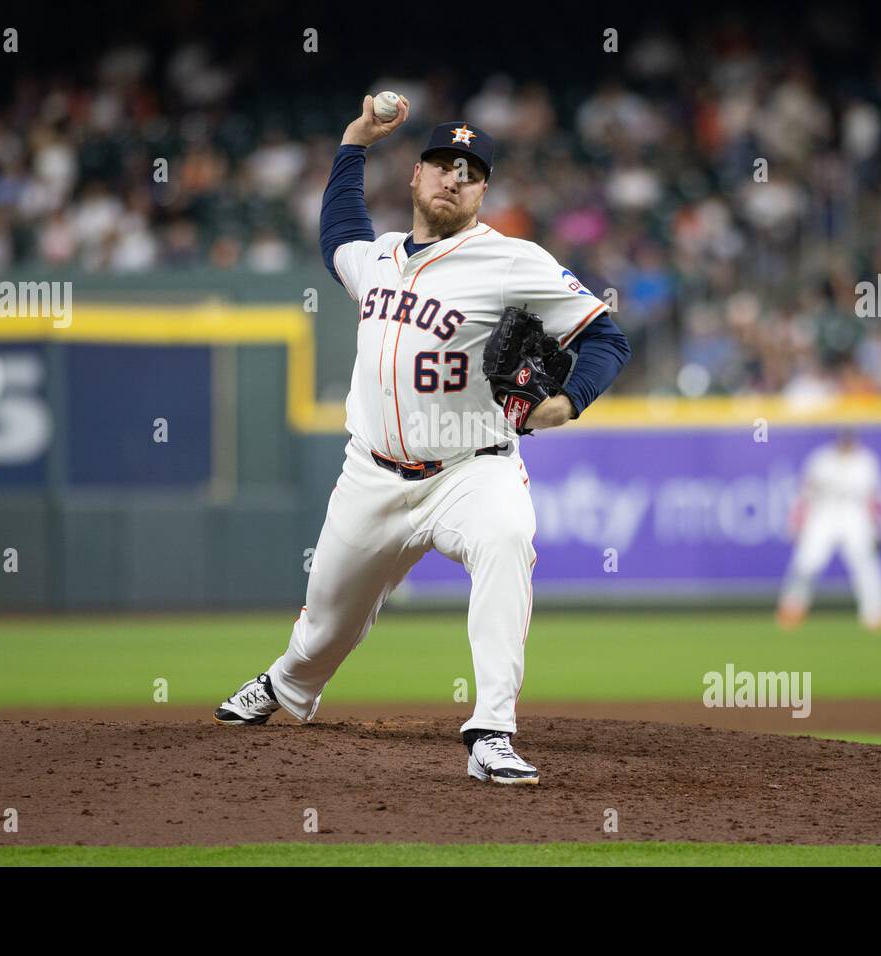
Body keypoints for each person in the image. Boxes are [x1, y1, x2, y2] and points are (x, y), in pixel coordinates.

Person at [212, 94, 631, 785]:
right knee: (326, 625)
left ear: (484, 189)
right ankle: (286, 684)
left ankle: (492, 728)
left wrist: (565, 402)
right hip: (371, 475)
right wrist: (353, 141)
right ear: (416, 176)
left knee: (506, 540)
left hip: (473, 469)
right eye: (442, 164)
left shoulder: (513, 261)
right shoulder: (376, 258)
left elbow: (606, 337)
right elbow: (336, 233)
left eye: (470, 170)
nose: (454, 177)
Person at [776, 429, 881, 631]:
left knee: (865, 564)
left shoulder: (866, 461)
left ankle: (876, 613)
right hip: (824, 514)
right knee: (807, 562)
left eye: (850, 440)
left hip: (855, 514)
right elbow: (804, 495)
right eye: (844, 440)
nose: (846, 444)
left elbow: (875, 498)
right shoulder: (821, 460)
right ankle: (792, 608)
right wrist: (796, 523)